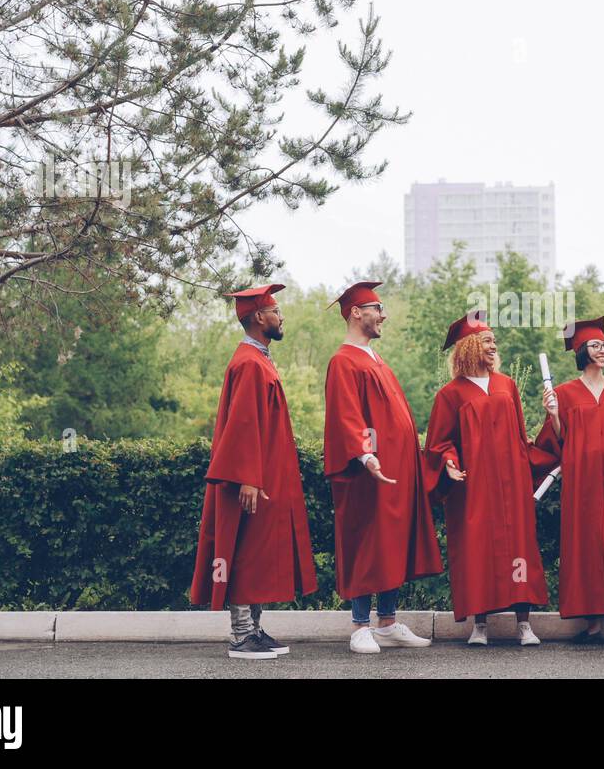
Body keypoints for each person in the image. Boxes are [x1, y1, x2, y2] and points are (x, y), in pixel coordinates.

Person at [190, 283, 317, 660]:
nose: (282, 318)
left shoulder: (259, 359)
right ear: (259, 318)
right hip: (252, 480)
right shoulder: (248, 363)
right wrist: (247, 476)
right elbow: (243, 424)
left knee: (258, 553)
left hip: (265, 477)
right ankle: (241, 636)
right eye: (277, 312)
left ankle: (255, 630)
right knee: (244, 552)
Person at [323, 281, 443, 655]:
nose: (383, 315)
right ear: (356, 312)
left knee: (391, 542)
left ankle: (387, 623)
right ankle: (360, 626)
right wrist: (365, 453)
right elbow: (347, 414)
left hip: (394, 472)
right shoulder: (344, 360)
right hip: (366, 474)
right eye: (377, 308)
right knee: (364, 541)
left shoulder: (375, 360)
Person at [422, 311, 555, 646]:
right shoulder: (451, 394)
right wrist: (449, 463)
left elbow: (521, 437)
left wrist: (551, 426)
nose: (494, 346)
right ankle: (479, 624)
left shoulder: (506, 385)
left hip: (512, 482)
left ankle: (523, 623)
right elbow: (439, 443)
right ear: (469, 347)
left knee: (519, 549)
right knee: (477, 549)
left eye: (494, 341)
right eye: (487, 341)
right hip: (475, 486)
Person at [534, 316, 604, 646]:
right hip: (579, 477)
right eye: (594, 345)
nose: (601, 350)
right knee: (582, 544)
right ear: (582, 350)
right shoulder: (564, 392)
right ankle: (592, 622)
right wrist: (553, 414)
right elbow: (558, 440)